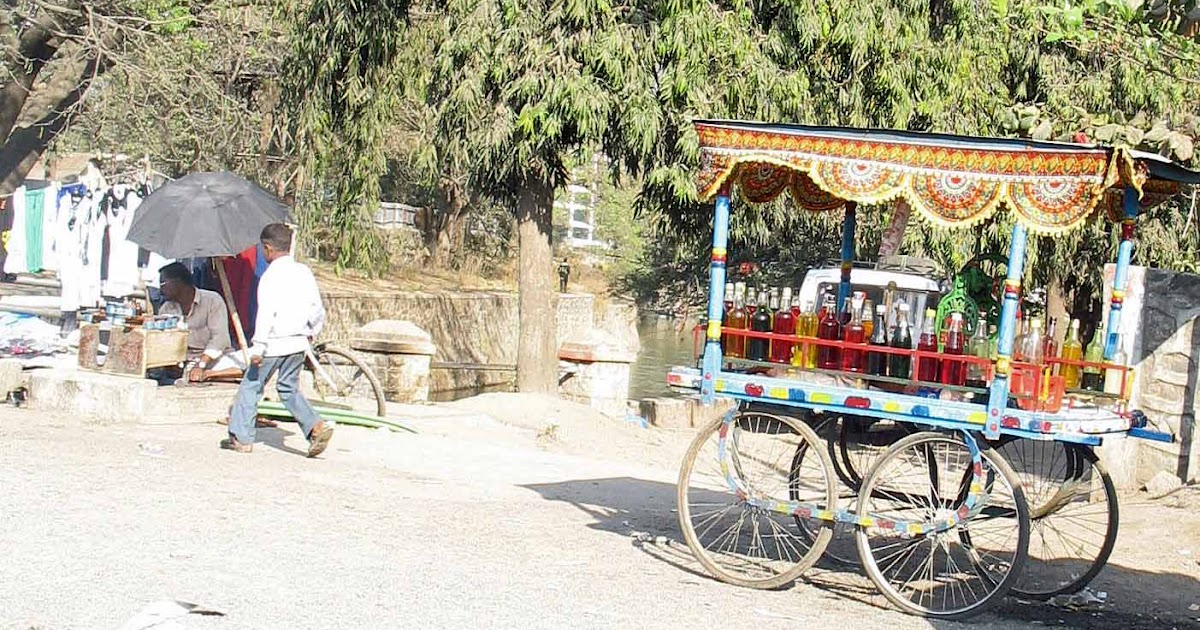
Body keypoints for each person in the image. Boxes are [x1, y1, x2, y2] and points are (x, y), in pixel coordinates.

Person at [222, 223, 333, 457]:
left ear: (267, 248)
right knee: (288, 388)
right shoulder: (303, 272)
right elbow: (317, 308)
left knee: (251, 386)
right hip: (298, 341)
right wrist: (312, 331)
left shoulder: (270, 276)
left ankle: (241, 437)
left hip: (274, 343)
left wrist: (258, 347)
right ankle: (315, 426)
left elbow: (266, 313)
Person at [158, 262, 245, 383]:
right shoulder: (166, 309)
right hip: (185, 362)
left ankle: (211, 374)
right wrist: (170, 362)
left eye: (163, 284)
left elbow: (220, 338)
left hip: (214, 359)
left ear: (178, 282)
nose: (160, 289)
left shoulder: (212, 300)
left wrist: (202, 364)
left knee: (249, 359)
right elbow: (163, 341)